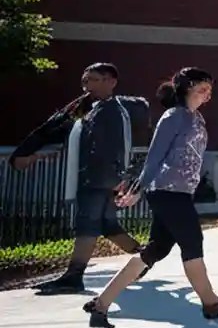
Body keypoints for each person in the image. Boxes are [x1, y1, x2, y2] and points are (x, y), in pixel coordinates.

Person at [87, 67, 218, 328]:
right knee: (192, 242)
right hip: (166, 190)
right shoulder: (173, 117)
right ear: (186, 88)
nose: (207, 94)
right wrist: (138, 188)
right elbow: (154, 156)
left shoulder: (196, 119)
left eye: (209, 89)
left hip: (180, 191)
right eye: (202, 88)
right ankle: (211, 303)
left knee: (156, 250)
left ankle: (101, 305)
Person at [8, 63, 151, 294]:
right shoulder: (97, 108)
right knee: (107, 224)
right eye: (85, 81)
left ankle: (73, 277)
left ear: (111, 81)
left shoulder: (109, 112)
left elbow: (112, 147)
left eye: (93, 80)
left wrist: (114, 178)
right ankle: (145, 259)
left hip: (97, 180)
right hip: (99, 178)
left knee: (87, 225)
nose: (86, 86)